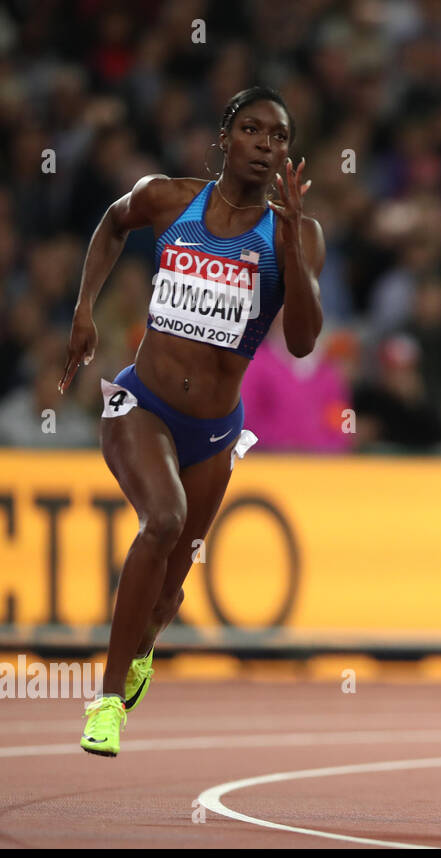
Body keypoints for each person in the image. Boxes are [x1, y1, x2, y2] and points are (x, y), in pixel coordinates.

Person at [59, 87, 324, 756]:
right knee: (164, 519)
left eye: (280, 137)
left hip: (215, 432)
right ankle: (106, 701)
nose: (266, 145)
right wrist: (84, 310)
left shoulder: (296, 234)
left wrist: (294, 249)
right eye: (253, 130)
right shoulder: (168, 199)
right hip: (142, 406)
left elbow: (301, 342)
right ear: (225, 138)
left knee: (167, 594)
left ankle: (147, 638)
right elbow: (112, 224)